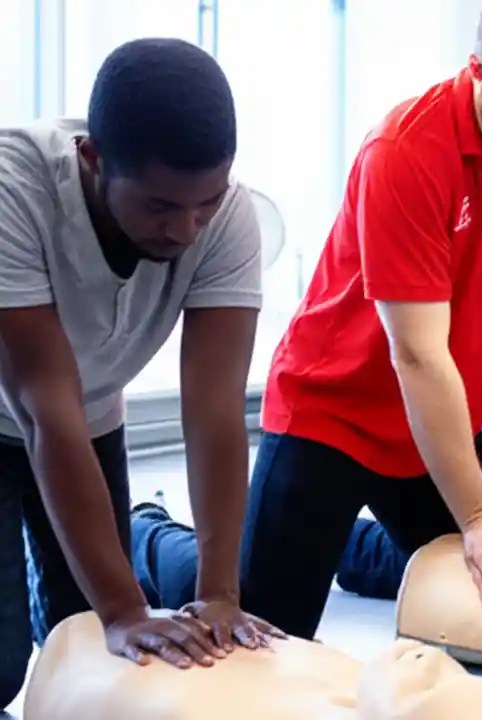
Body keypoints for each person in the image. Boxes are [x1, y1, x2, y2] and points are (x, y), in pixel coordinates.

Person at [129, 0, 482, 639]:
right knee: (260, 630)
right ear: (478, 71)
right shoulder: (406, 150)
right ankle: (149, 536)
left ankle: (349, 551)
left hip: (437, 423)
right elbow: (417, 354)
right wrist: (479, 514)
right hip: (332, 413)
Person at [0, 38, 274, 708]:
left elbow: (213, 414)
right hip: (38, 405)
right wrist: (126, 612)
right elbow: (43, 410)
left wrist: (218, 595)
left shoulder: (228, 215)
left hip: (90, 415)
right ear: (92, 161)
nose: (186, 228)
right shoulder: (12, 191)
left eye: (204, 202)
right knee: (5, 665)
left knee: (94, 644)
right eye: (159, 207)